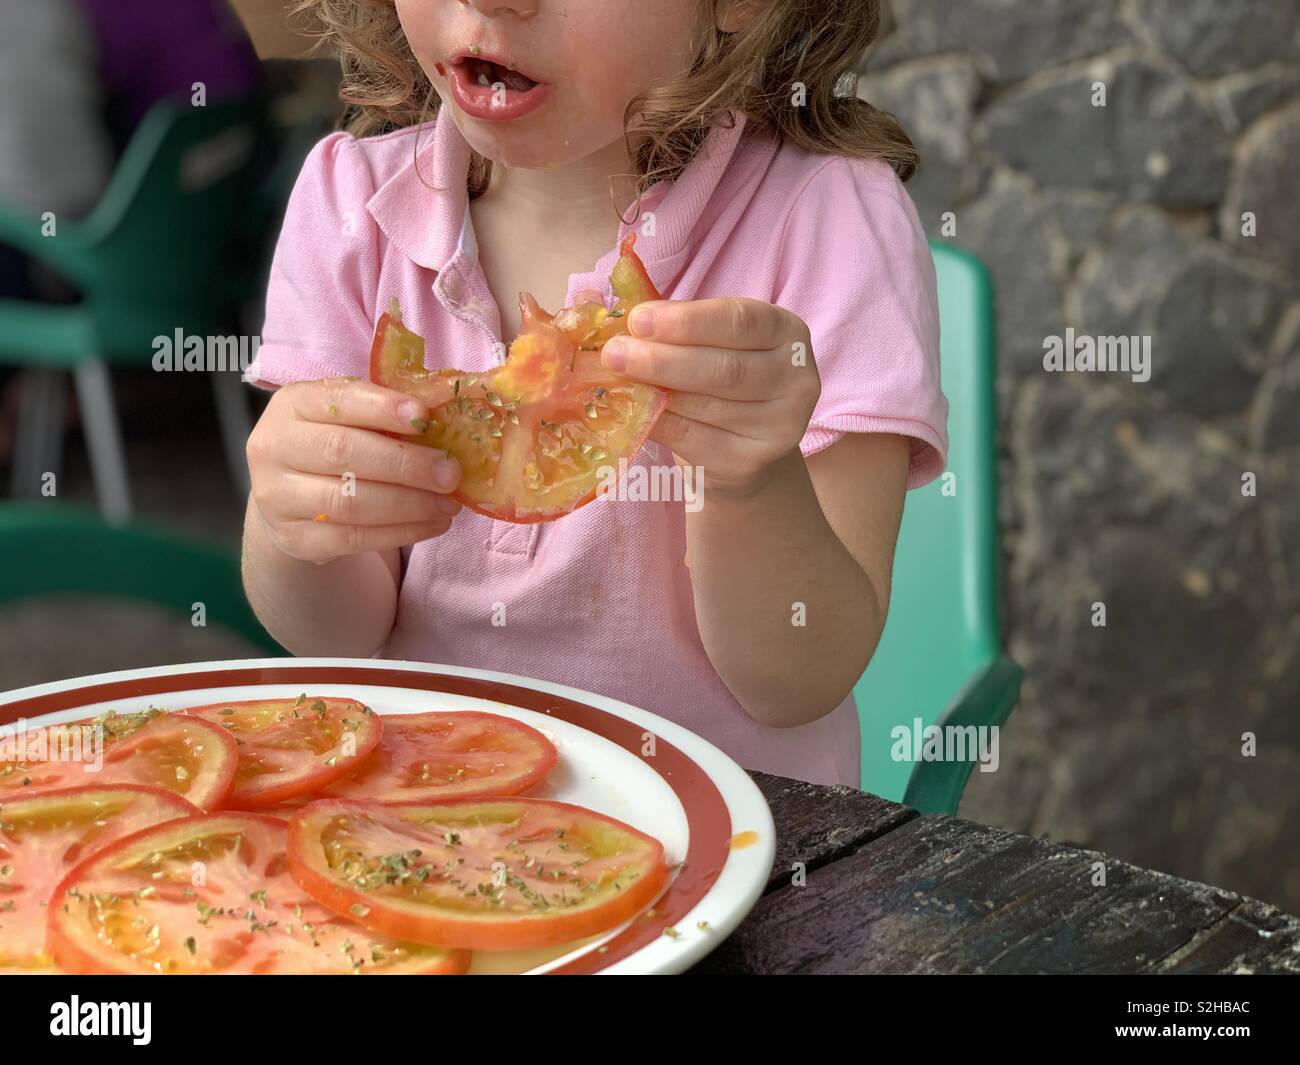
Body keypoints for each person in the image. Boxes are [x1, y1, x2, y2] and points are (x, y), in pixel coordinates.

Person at [240, 0, 948, 787]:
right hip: (434, 831)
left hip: (744, 855)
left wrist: (753, 480)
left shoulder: (828, 222)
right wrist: (290, 523)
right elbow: (333, 634)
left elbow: (799, 680)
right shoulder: (348, 209)